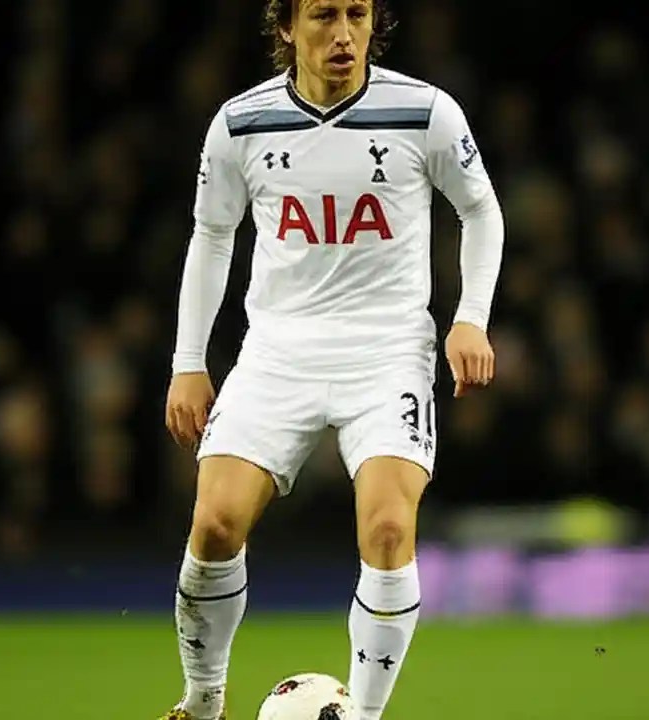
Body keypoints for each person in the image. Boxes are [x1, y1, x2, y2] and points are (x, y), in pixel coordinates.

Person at [161, 0, 503, 717]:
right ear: (285, 26)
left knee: (386, 527)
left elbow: (481, 209)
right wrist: (188, 360)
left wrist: (469, 318)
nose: (344, 34)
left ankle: (366, 717)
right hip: (278, 351)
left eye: (358, 14)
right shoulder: (240, 123)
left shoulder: (425, 112)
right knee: (214, 525)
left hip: (386, 351)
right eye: (323, 15)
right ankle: (202, 700)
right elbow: (211, 235)